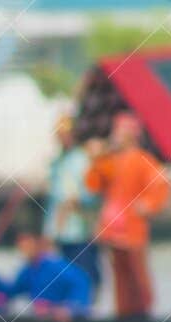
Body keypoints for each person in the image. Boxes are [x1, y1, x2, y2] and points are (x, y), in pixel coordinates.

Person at [86, 112, 169, 319]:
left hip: (132, 228)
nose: (115, 135)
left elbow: (159, 186)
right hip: (113, 227)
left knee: (137, 273)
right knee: (118, 273)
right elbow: (93, 185)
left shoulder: (144, 161)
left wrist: (148, 206)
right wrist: (97, 158)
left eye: (120, 131)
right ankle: (123, 313)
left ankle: (143, 313)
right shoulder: (110, 161)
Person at [45, 114, 100, 301]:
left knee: (85, 275)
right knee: (63, 277)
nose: (62, 138)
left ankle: (86, 313)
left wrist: (75, 201)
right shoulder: (58, 162)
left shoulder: (82, 159)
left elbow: (92, 194)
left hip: (80, 230)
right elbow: (55, 197)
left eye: (65, 133)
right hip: (61, 232)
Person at [8, 231, 93, 320]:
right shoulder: (28, 271)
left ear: (38, 244)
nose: (24, 250)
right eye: (21, 247)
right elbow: (11, 290)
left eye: (28, 245)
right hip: (41, 321)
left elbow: (81, 283)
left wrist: (69, 309)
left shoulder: (56, 266)